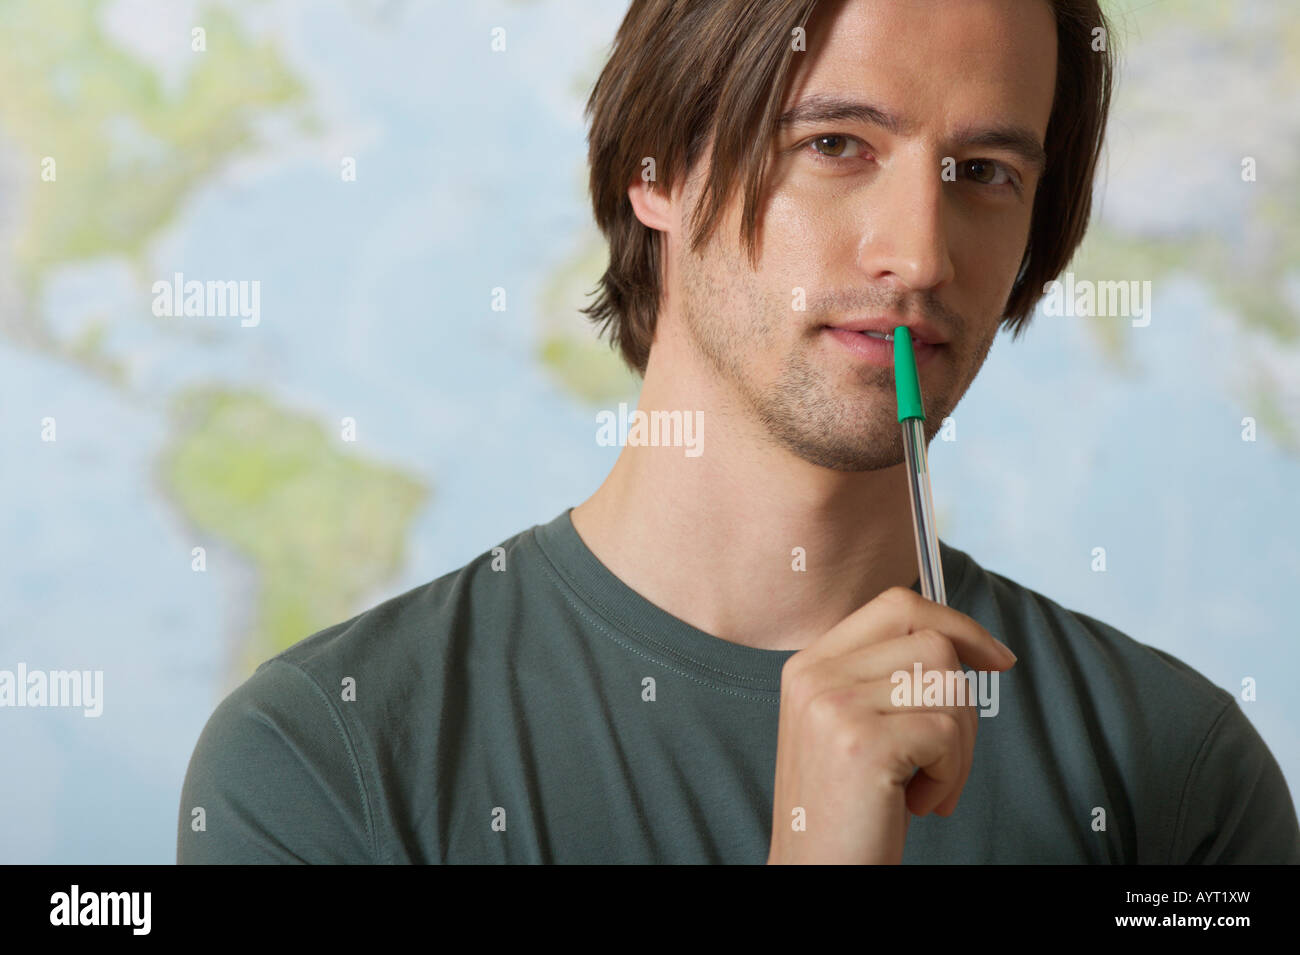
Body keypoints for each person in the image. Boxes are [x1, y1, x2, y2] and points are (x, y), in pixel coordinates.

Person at [177, 0, 1300, 864]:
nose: (918, 255)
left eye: (981, 173)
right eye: (835, 145)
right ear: (654, 172)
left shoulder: (1174, 777)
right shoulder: (323, 763)